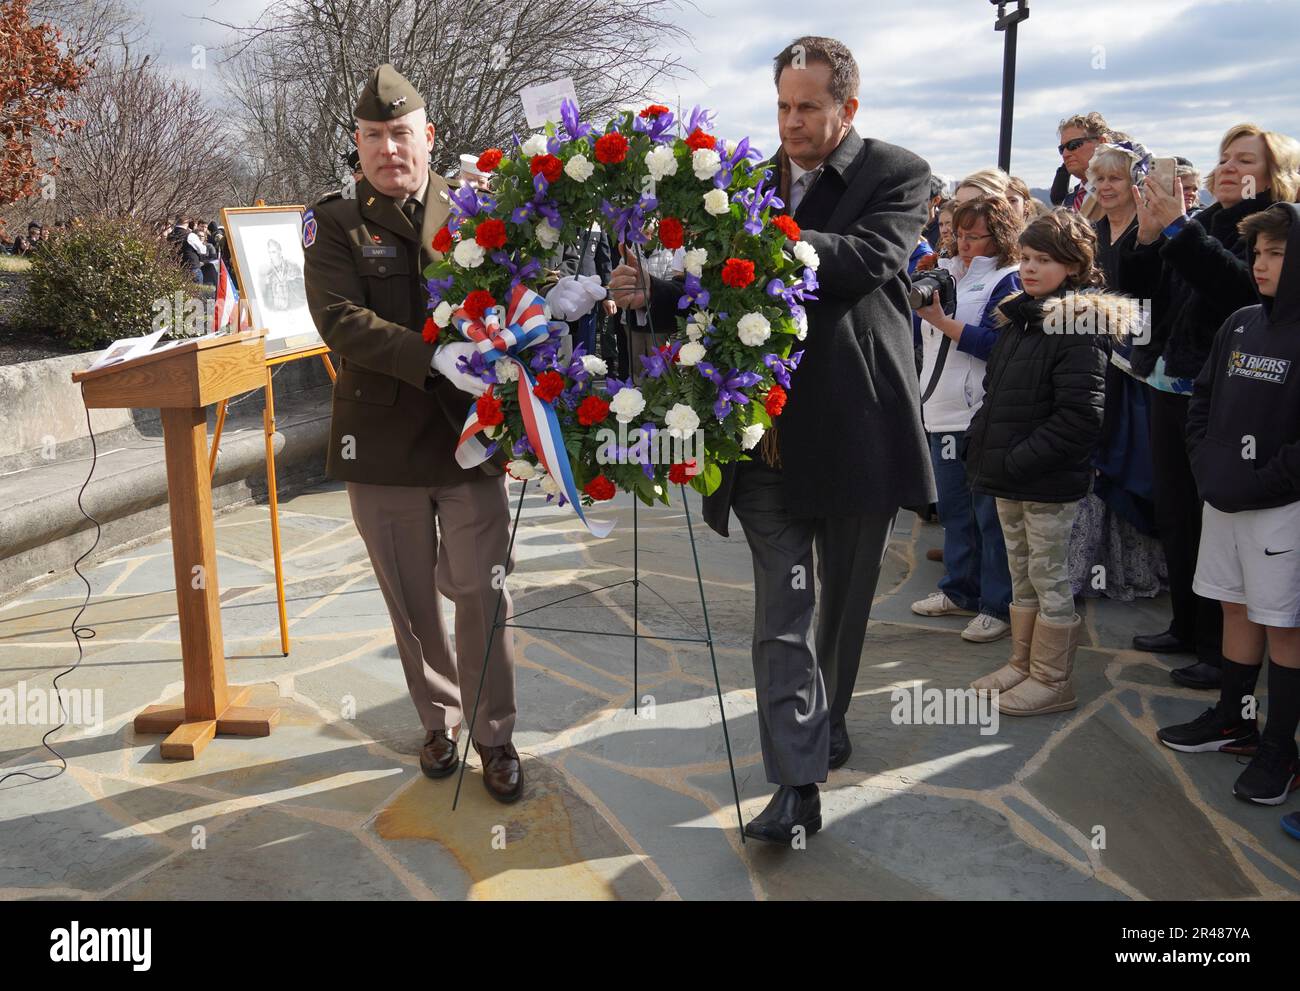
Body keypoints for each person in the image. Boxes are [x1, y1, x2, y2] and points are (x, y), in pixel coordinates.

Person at [611, 35, 934, 843]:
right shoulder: (744, 184)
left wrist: (750, 244)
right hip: (762, 441)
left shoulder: (898, 173)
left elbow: (864, 261)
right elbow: (705, 290)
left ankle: (824, 722)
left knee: (842, 613)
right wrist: (653, 289)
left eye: (809, 107)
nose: (791, 122)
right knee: (784, 612)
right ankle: (798, 783)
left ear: (846, 109)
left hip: (858, 425)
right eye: (782, 106)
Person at [303, 64, 535, 803]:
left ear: (427, 137)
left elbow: (510, 292)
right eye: (372, 136)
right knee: (410, 600)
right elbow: (340, 321)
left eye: (400, 133)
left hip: (468, 440)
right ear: (358, 145)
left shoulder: (475, 214)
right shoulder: (335, 224)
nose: (387, 149)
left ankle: (493, 734)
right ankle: (436, 720)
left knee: (482, 590)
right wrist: (431, 354)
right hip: (381, 445)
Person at [1119, 123, 1300, 690]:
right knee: (1176, 511)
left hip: (1235, 397)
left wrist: (1176, 228)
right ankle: (1187, 624)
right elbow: (1146, 301)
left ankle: (1222, 655)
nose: (1226, 168)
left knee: (1213, 519)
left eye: (1243, 160)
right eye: (1223, 158)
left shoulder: (1274, 231)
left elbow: (1241, 292)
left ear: (1274, 175)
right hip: (1175, 385)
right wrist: (1149, 240)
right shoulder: (1201, 224)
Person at [1156, 202, 1300, 807]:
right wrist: (1207, 464)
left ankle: (1279, 749)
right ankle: (1235, 720)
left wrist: (1254, 484)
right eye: (1257, 252)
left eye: (1275, 254)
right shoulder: (1240, 322)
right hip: (1223, 498)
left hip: (1280, 509)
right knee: (1236, 611)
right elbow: (1203, 399)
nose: (1260, 264)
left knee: (1284, 628)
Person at [966, 209, 1127, 715]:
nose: (1031, 269)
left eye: (1046, 260)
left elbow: (1081, 417)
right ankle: (1023, 663)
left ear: (1074, 267)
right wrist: (982, 443)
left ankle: (1053, 679)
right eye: (1027, 258)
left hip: (1046, 480)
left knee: (1049, 575)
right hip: (1010, 475)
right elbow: (997, 394)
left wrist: (1017, 460)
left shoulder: (1077, 326)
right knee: (1021, 570)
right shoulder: (1020, 318)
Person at [910, 195, 1021, 643]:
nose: (964, 243)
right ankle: (959, 591)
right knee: (956, 511)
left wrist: (941, 319)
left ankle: (996, 604)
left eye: (975, 236)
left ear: (1001, 236)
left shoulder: (1007, 279)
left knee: (988, 517)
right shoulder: (947, 269)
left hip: (979, 414)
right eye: (958, 233)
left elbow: (999, 346)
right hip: (939, 409)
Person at [1068, 143, 1165, 602]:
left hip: (1139, 368)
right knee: (1094, 459)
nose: (1105, 187)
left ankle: (1134, 568)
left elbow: (1157, 303)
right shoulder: (1090, 231)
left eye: (1115, 178)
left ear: (1135, 182)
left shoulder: (1154, 231)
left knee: (1129, 459)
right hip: (1095, 357)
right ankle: (1090, 566)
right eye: (1099, 179)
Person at [1052, 112, 1114, 211]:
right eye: (1062, 148)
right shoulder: (1068, 201)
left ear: (1102, 143)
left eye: (1073, 145)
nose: (1065, 154)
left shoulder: (1124, 193)